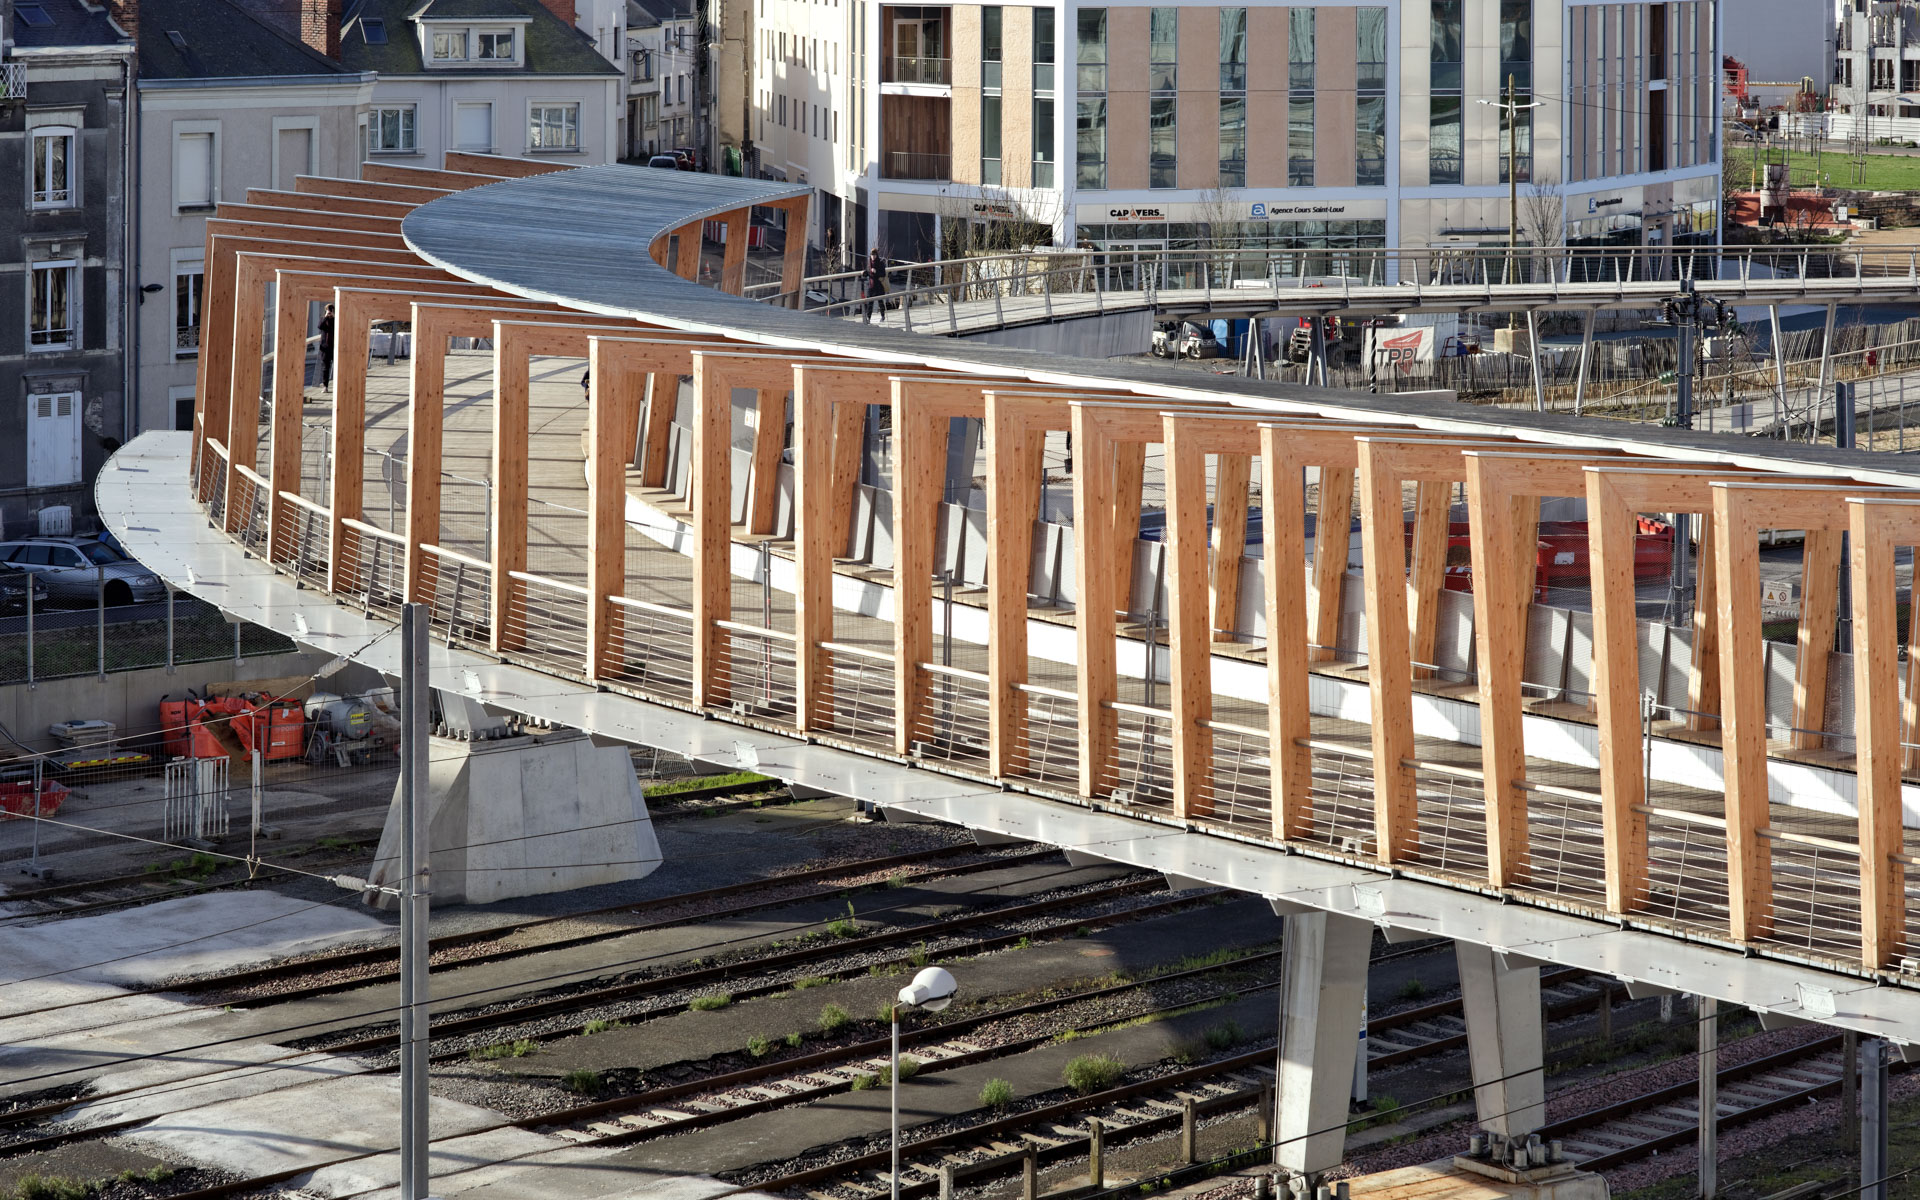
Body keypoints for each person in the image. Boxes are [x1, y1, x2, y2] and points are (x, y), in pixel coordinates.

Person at [861, 249, 888, 323]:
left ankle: (883, 316)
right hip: (871, 286)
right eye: (872, 255)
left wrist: (876, 272)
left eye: (874, 255)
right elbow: (868, 273)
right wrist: (865, 273)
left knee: (880, 302)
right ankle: (868, 318)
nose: (873, 256)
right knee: (870, 303)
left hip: (878, 285)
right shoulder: (869, 263)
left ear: (877, 255)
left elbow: (883, 274)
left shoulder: (880, 263)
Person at [317, 303, 336, 391]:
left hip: (334, 346)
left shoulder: (336, 320)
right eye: (328, 310)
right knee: (325, 368)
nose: (329, 312)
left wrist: (334, 317)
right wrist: (325, 316)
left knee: (337, 366)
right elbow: (320, 326)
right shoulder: (323, 319)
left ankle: (337, 385)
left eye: (331, 311)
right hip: (325, 347)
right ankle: (325, 386)